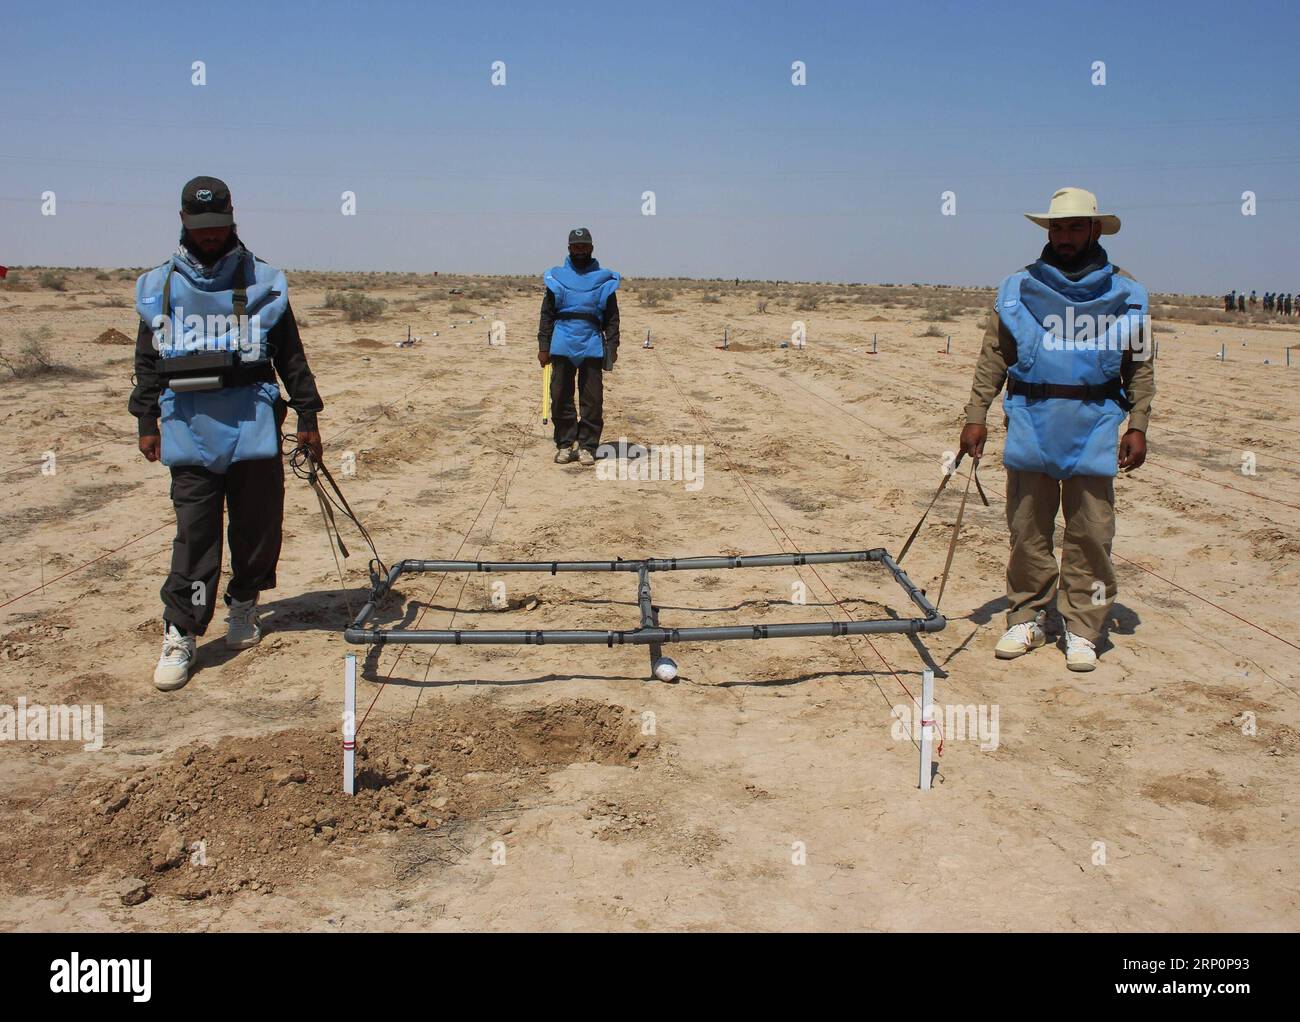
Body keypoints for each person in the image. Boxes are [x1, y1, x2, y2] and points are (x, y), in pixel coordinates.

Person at [128, 176, 324, 691]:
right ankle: (183, 630)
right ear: (183, 224)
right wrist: (146, 419)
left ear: (233, 220)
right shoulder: (160, 286)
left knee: (257, 527)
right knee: (196, 534)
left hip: (252, 420)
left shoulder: (265, 281)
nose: (210, 236)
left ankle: (244, 603)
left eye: (218, 227)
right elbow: (148, 361)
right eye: (200, 227)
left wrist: (307, 414)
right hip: (187, 426)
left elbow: (290, 354)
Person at [958, 187, 1155, 672]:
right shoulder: (1015, 289)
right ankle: (1027, 616)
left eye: (1073, 227)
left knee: (1091, 533)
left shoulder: (1129, 294)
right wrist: (976, 414)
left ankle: (1083, 627)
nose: (1064, 236)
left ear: (1094, 229)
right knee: (1027, 529)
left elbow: (1142, 363)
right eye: (1057, 227)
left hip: (1095, 424)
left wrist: (1139, 423)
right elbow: (994, 357)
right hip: (1031, 421)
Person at [537, 227, 621, 466]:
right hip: (562, 342)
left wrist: (612, 345)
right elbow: (547, 315)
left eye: (584, 247)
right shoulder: (556, 277)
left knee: (592, 399)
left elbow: (612, 317)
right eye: (576, 247)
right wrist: (544, 346)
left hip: (592, 343)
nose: (580, 251)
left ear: (592, 248)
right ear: (569, 249)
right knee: (560, 395)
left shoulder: (604, 279)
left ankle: (587, 446)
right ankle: (565, 444)